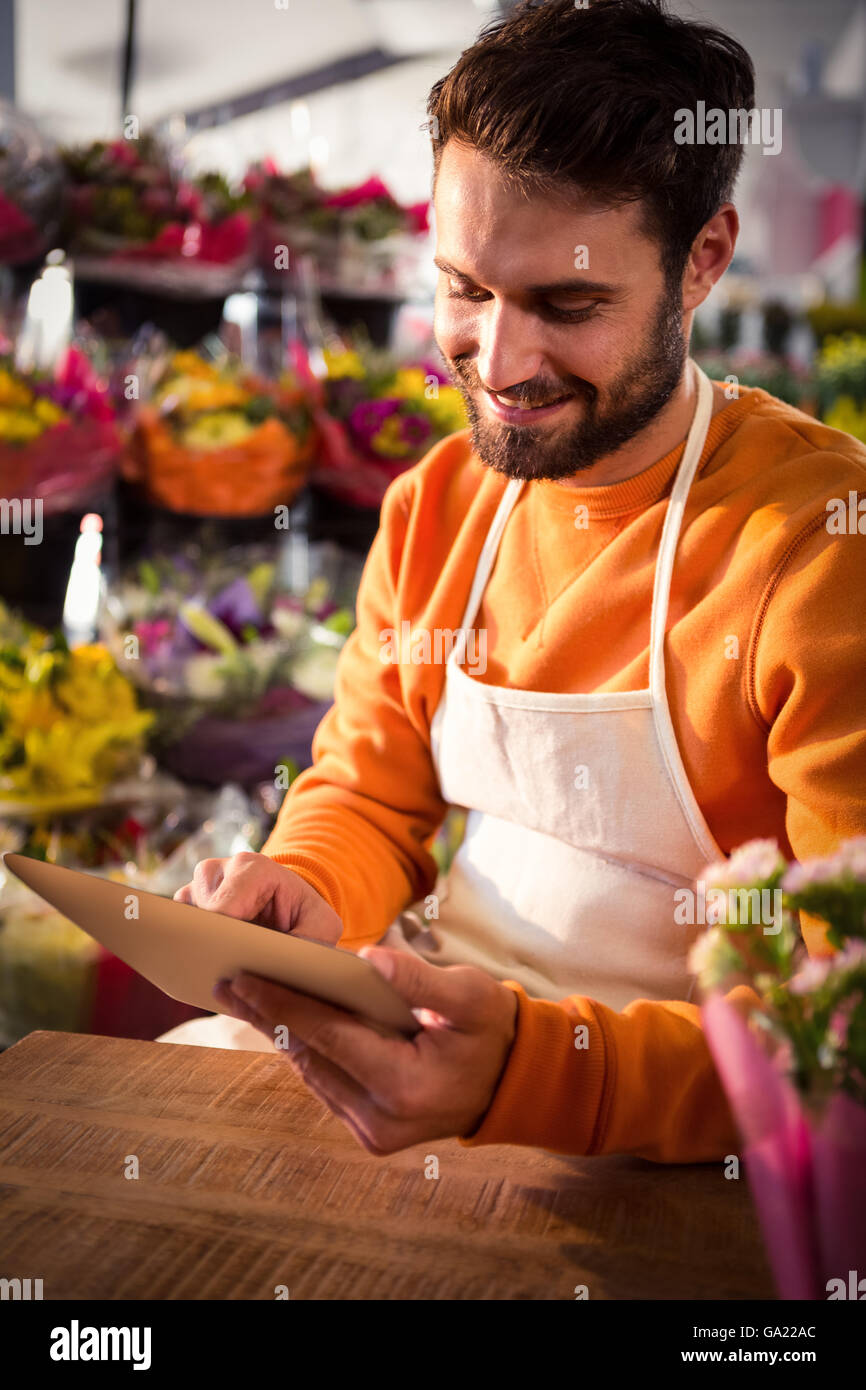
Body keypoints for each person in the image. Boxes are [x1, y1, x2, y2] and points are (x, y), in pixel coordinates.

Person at [159, 0, 866, 1163]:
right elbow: (374, 792)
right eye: (467, 289)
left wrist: (544, 1080)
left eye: (565, 305)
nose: (499, 365)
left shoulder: (817, 548)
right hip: (444, 1070)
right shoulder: (438, 504)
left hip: (709, 1159)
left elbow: (839, 1024)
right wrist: (303, 889)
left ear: (702, 261)